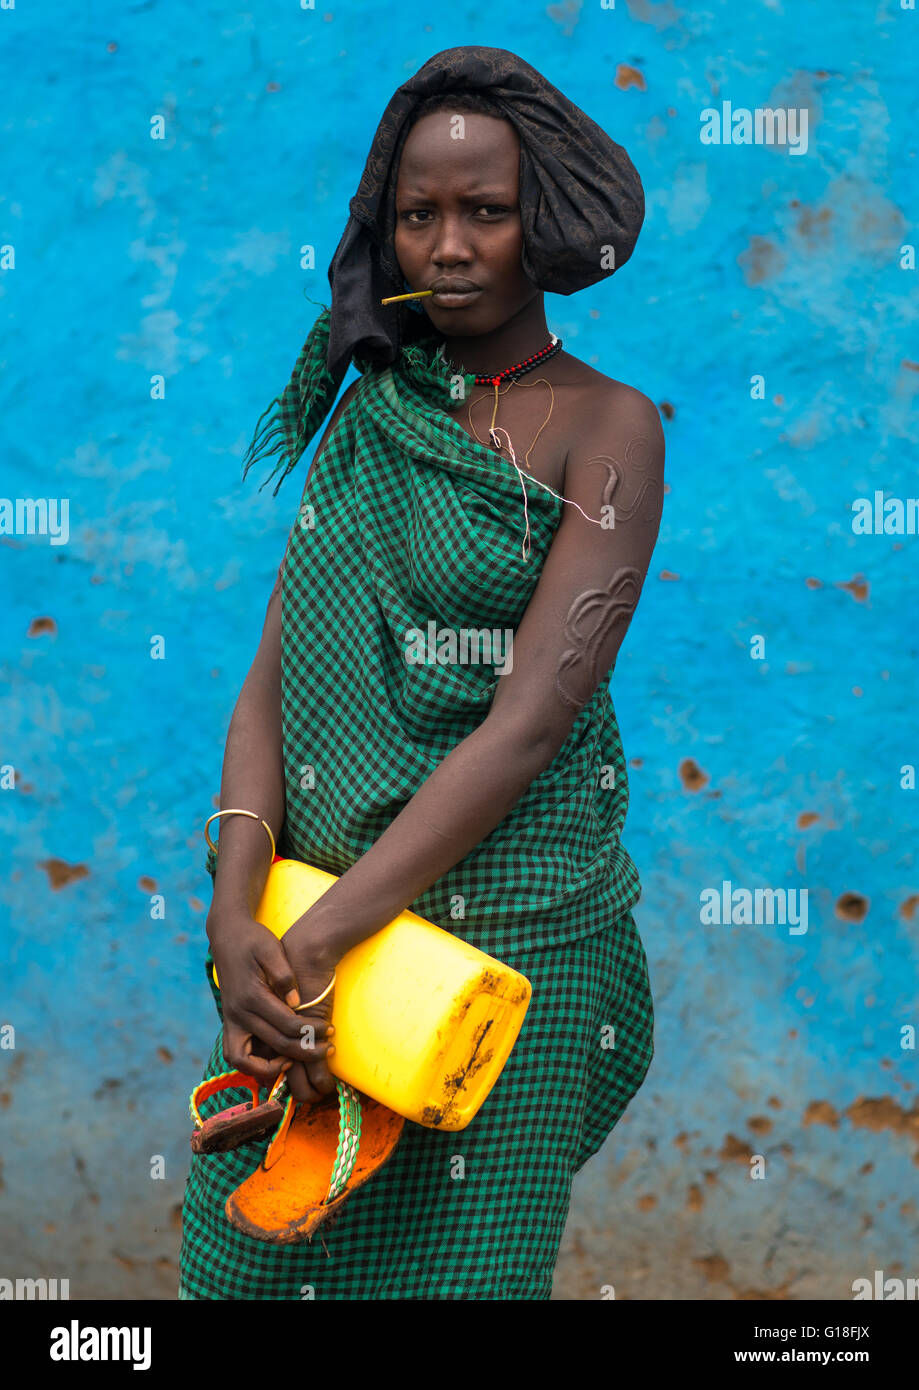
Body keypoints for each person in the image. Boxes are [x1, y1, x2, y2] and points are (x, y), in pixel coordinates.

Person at [179, 44, 665, 1300]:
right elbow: (275, 682)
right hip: (313, 966)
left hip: (495, 958)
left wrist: (320, 938)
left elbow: (524, 727)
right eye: (417, 215)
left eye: (485, 212)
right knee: (244, 1273)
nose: (448, 246)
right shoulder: (372, 402)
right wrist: (240, 920)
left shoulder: (605, 429)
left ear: (542, 219)